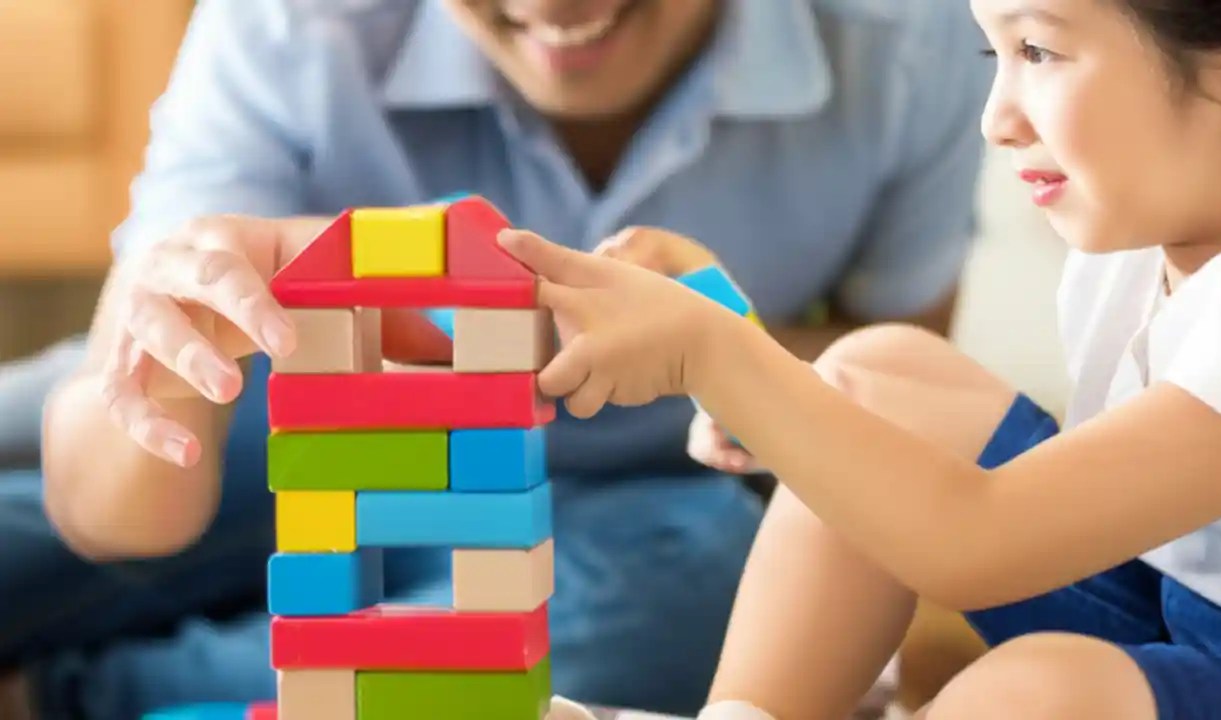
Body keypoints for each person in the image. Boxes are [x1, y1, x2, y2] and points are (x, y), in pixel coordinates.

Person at [5, 0, 993, 718]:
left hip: (645, 494)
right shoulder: (288, 25)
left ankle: (73, 688)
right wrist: (170, 382)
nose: (556, 7)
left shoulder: (906, 39)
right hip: (272, 415)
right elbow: (110, 508)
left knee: (667, 618)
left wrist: (704, 345)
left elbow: (892, 386)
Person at [492, 0, 1221, 717]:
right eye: (993, 57)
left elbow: (980, 544)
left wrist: (712, 352)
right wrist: (737, 351)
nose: (995, 120)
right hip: (1182, 604)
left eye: (1038, 52)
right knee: (876, 378)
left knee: (1039, 693)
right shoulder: (1132, 251)